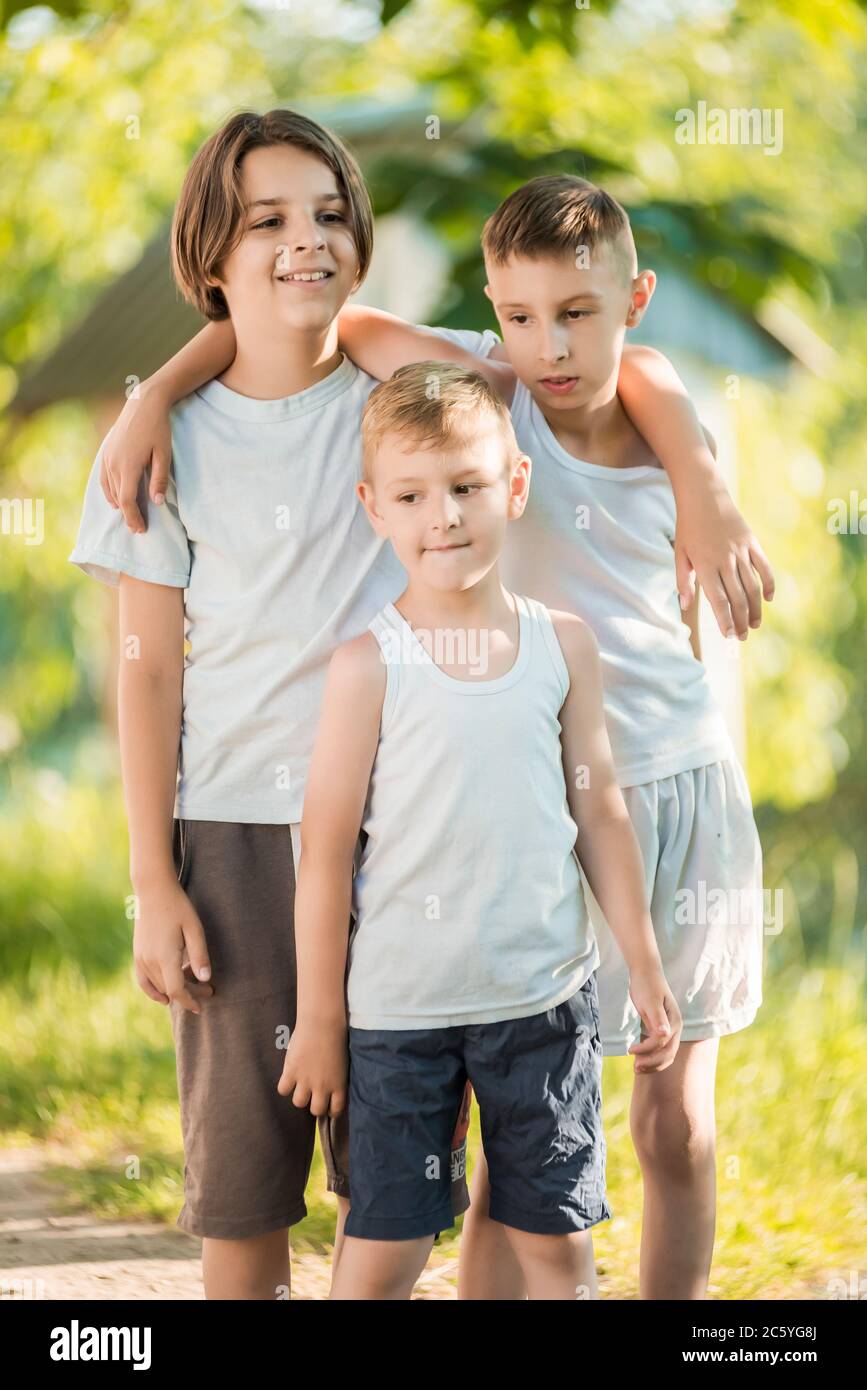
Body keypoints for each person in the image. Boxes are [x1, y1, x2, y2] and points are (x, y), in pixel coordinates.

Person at [334, 175, 767, 1300]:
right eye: (519, 316)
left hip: (675, 793)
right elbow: (357, 327)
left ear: (637, 299)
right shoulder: (499, 405)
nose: (548, 344)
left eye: (577, 311)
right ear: (492, 310)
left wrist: (708, 483)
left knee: (674, 1120)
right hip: (545, 809)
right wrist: (486, 355)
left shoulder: (667, 418)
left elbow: (659, 384)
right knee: (517, 1157)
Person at [68, 107, 473, 1300]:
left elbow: (522, 376)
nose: (309, 240)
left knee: (395, 1190)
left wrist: (191, 357)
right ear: (211, 257)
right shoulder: (159, 446)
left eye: (331, 215)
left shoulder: (399, 402)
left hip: (405, 835)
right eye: (269, 221)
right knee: (241, 1195)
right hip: (235, 839)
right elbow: (145, 671)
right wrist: (155, 878)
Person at [278, 361, 682, 1300]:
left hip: (540, 1005)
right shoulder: (365, 666)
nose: (443, 517)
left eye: (465, 487)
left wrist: (646, 963)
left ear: (514, 485)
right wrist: (321, 1020)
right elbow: (326, 857)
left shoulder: (562, 644)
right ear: (373, 506)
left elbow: (600, 811)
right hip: (394, 1018)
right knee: (384, 1251)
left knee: (555, 1250)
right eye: (413, 495)